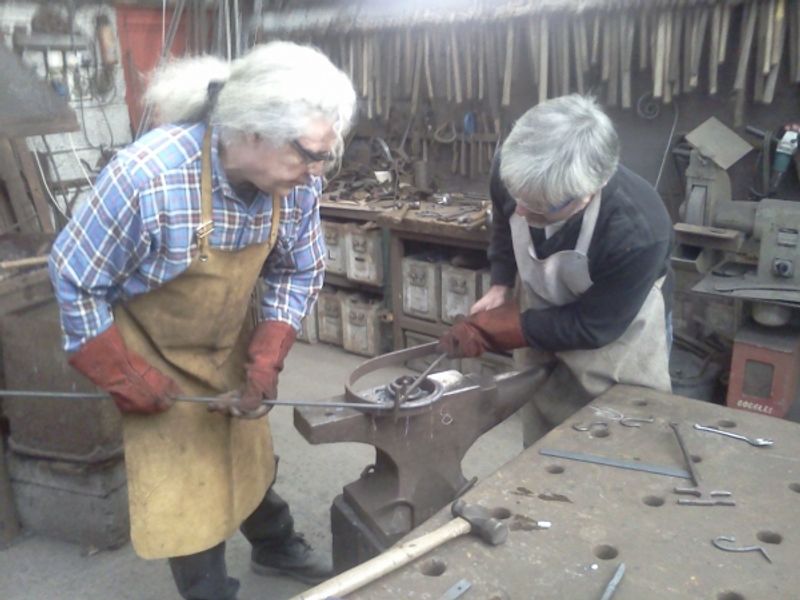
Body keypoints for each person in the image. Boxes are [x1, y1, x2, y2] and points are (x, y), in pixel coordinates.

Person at [48, 42, 357, 600]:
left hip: (229, 340)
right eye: (309, 153)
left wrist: (266, 357)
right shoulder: (147, 177)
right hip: (151, 354)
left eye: (324, 156)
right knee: (185, 491)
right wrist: (122, 375)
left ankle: (275, 545)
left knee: (247, 452)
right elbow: (75, 278)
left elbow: (300, 269)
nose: (317, 170)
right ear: (253, 132)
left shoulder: (298, 183)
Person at [438, 94, 674, 447]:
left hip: (613, 327)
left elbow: (593, 327)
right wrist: (501, 283)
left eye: (540, 210)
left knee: (620, 436)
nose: (522, 211)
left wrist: (517, 327)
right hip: (544, 302)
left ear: (589, 192)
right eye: (519, 198)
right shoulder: (514, 171)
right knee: (543, 431)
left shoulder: (638, 231)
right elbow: (503, 225)